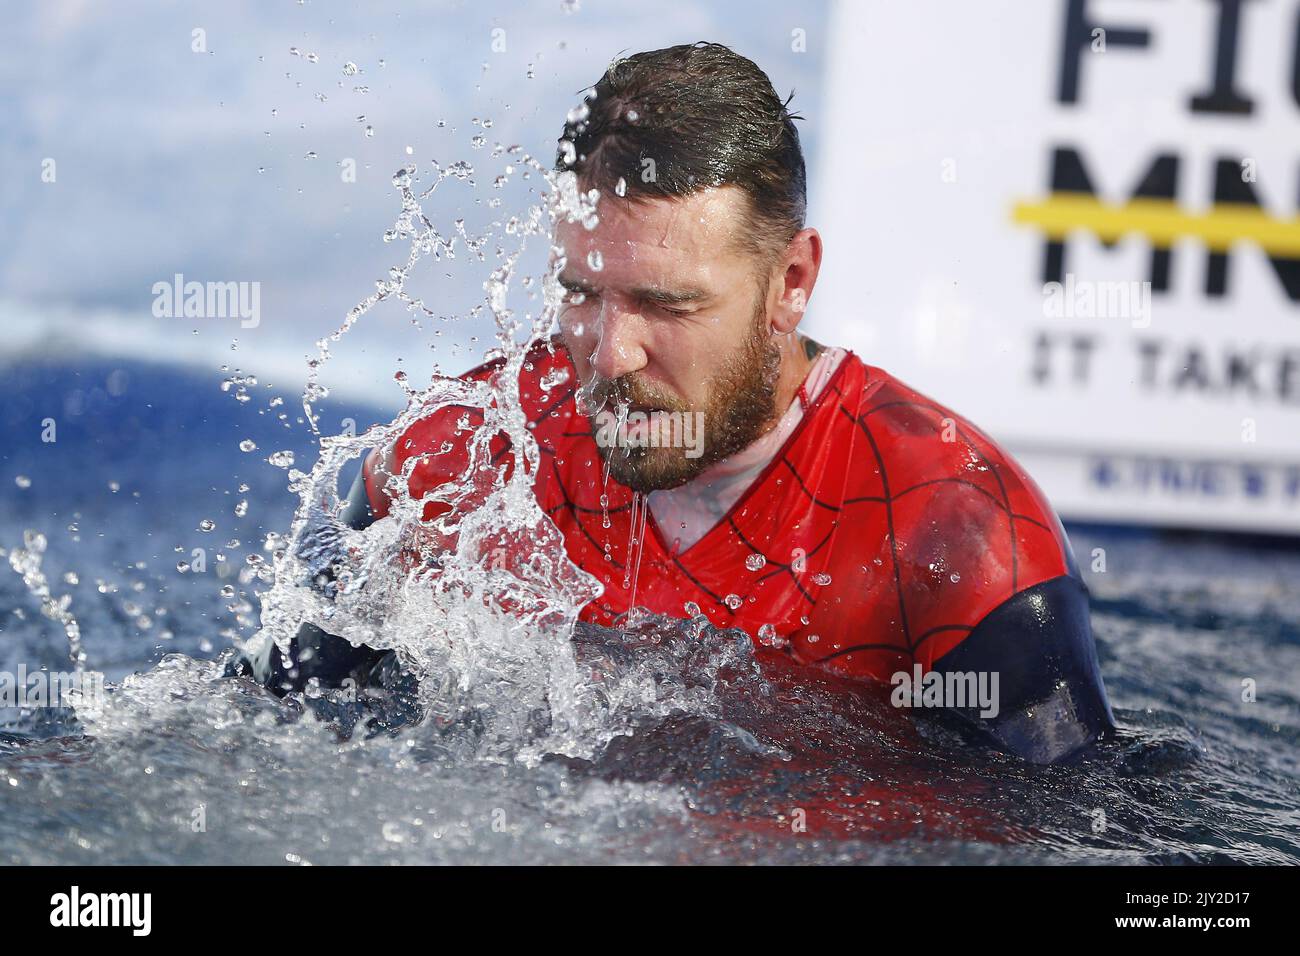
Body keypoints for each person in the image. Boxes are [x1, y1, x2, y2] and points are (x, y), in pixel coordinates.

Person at [239, 42, 1115, 764]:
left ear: (791, 282)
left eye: (668, 305)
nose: (611, 357)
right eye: (583, 294)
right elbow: (252, 739)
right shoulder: (459, 462)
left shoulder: (955, 539)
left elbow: (1077, 846)